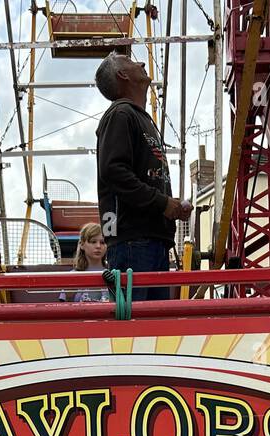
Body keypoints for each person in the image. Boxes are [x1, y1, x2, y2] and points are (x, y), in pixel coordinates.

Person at [94, 52, 191, 301]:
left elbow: (136, 175)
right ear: (123, 75)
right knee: (140, 330)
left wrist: (170, 204)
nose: (141, 63)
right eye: (131, 61)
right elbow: (113, 172)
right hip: (132, 242)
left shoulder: (138, 118)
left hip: (150, 241)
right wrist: (163, 203)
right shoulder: (120, 115)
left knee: (152, 331)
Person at [60, 222, 112, 303]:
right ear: (82, 245)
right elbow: (63, 308)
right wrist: (69, 297)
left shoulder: (112, 274)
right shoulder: (72, 275)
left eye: (102, 242)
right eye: (93, 242)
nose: (98, 246)